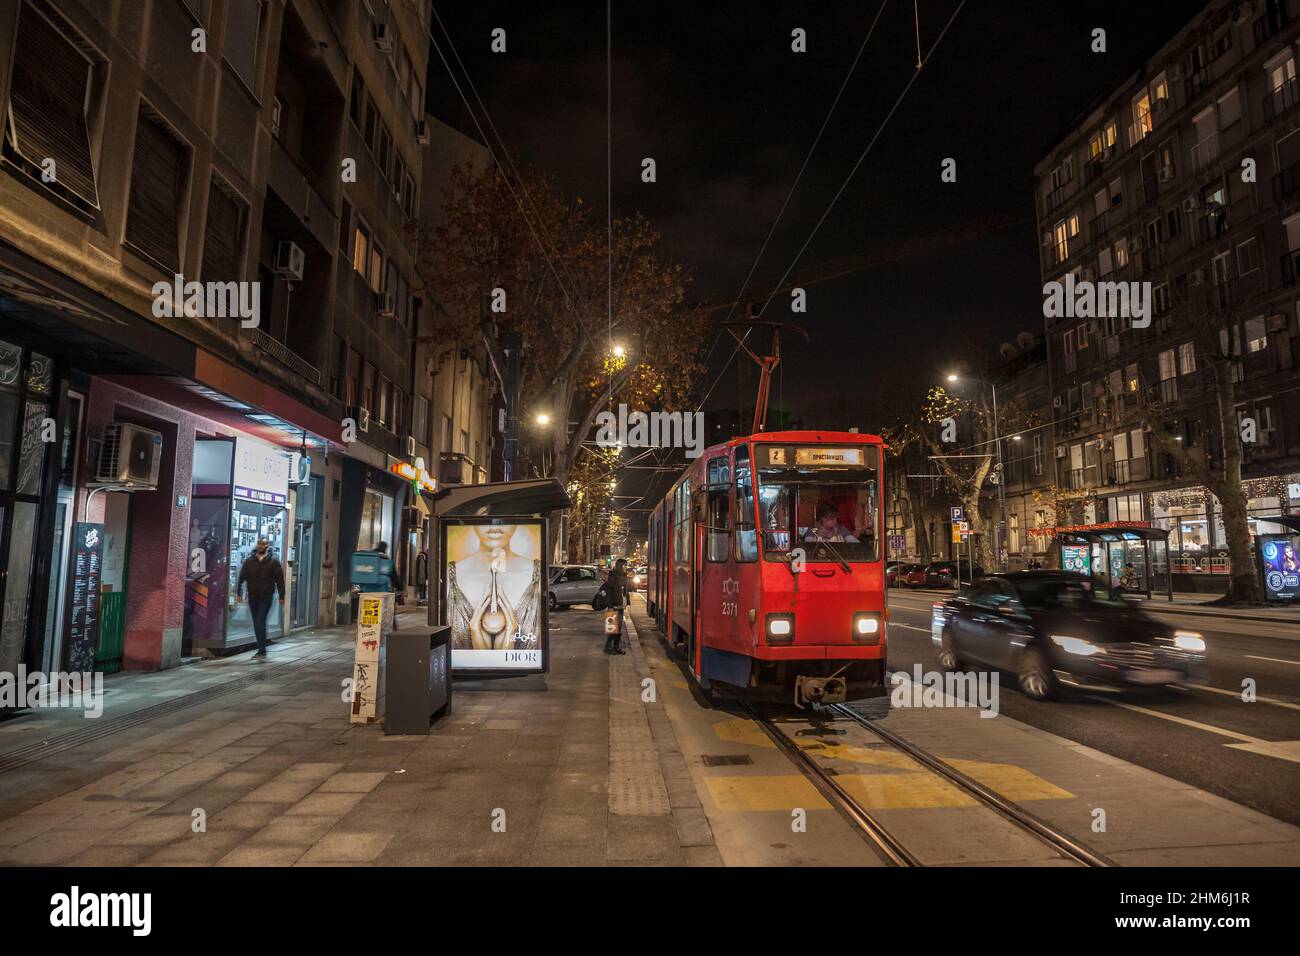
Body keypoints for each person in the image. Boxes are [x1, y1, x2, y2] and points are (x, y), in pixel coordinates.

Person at [236, 538, 285, 659]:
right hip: (253, 596)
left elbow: (280, 580)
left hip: (266, 596)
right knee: (257, 623)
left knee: (260, 621)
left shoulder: (273, 562)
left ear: (267, 546)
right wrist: (239, 593)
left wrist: (282, 596)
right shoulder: (249, 561)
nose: (261, 546)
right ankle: (261, 648)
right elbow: (242, 577)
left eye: (263, 544)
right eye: (259, 544)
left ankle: (262, 650)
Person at [603, 558, 630, 655]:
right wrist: (609, 606)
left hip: (620, 606)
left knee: (617, 628)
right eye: (625, 565)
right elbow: (608, 591)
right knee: (613, 628)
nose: (626, 567)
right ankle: (611, 647)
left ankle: (613, 647)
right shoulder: (614, 576)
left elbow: (625, 591)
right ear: (620, 566)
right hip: (614, 605)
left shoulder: (624, 576)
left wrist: (627, 601)